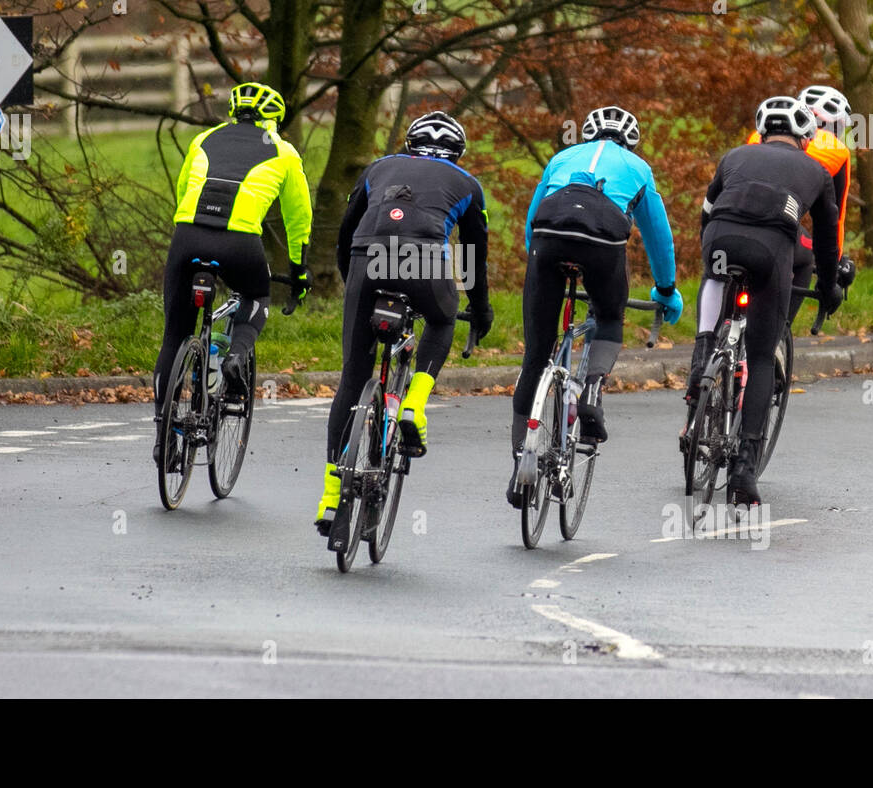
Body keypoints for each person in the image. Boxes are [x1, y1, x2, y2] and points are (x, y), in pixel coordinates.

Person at [316, 111, 494, 534]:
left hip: (366, 259)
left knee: (352, 378)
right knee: (441, 317)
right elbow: (473, 257)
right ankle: (414, 404)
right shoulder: (467, 184)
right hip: (426, 260)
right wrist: (481, 309)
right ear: (458, 153)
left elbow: (345, 233)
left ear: (409, 146)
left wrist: (352, 281)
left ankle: (328, 497)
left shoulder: (379, 167)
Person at [507, 105, 683, 508]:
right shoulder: (638, 168)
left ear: (586, 135)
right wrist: (666, 289)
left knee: (535, 357)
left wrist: (539, 266)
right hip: (602, 246)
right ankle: (589, 394)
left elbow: (532, 220)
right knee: (607, 317)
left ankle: (520, 467)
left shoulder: (561, 159)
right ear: (631, 141)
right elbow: (658, 235)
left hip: (548, 240)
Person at [687, 96, 842, 505]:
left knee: (715, 275)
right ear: (806, 138)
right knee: (759, 357)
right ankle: (743, 470)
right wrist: (829, 288)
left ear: (762, 132)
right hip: (769, 250)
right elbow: (826, 244)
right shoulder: (817, 170)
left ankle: (702, 357)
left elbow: (705, 214)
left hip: (719, 237)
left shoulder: (734, 155)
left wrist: (710, 247)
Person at [153, 82, 312, 468]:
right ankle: (237, 357)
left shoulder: (204, 138)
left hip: (188, 235)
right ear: (275, 118)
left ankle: (163, 438)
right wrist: (299, 274)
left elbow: (182, 191)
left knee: (174, 334)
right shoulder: (285, 152)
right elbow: (298, 220)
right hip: (240, 242)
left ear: (232, 110)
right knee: (257, 297)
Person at [746, 84, 857, 319]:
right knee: (803, 254)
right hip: (778, 228)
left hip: (731, 219)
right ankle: (780, 329)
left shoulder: (756, 136)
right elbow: (834, 219)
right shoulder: (837, 151)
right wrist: (834, 267)